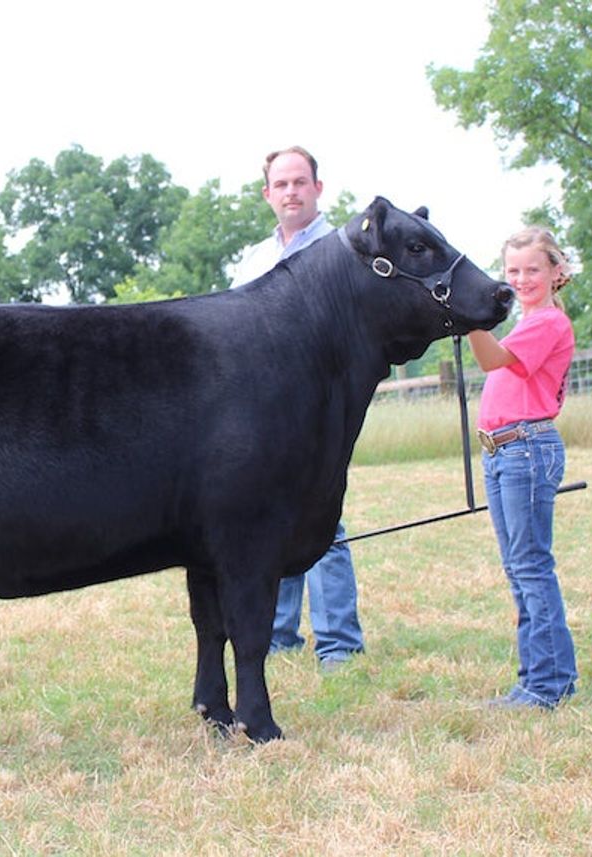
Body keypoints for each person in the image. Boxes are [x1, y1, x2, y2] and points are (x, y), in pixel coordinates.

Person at [229, 146, 365, 670]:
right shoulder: (253, 262)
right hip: (259, 412)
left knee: (322, 523)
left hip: (318, 407)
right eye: (281, 184)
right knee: (268, 522)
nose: (291, 192)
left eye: (300, 182)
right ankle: (281, 634)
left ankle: (338, 643)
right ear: (267, 195)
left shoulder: (343, 251)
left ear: (318, 189)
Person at [468, 227, 577, 709]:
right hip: (503, 450)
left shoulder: (547, 323)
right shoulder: (528, 321)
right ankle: (545, 675)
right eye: (513, 271)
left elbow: (493, 361)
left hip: (524, 449)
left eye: (533, 269)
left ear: (556, 272)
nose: (522, 278)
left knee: (531, 567)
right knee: (520, 568)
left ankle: (545, 684)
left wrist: (468, 318)